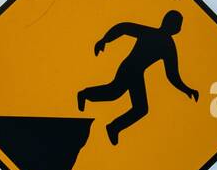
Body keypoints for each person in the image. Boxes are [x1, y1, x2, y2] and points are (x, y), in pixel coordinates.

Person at [76, 10, 199, 145]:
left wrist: (187, 89)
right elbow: (123, 28)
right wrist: (104, 40)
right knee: (114, 93)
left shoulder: (168, 46)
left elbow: (172, 74)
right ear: (169, 23)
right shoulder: (151, 34)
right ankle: (85, 96)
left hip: (137, 73)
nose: (178, 27)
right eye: (177, 24)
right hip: (128, 68)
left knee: (139, 108)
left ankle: (113, 126)